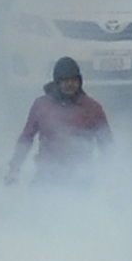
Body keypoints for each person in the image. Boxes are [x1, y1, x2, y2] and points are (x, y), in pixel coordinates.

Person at [8, 58, 112, 187]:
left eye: (74, 80)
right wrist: (14, 168)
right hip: (46, 177)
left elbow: (107, 145)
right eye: (65, 80)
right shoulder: (42, 106)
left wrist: (111, 176)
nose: (70, 84)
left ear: (80, 81)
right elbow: (26, 138)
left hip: (81, 179)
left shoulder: (92, 108)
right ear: (57, 82)